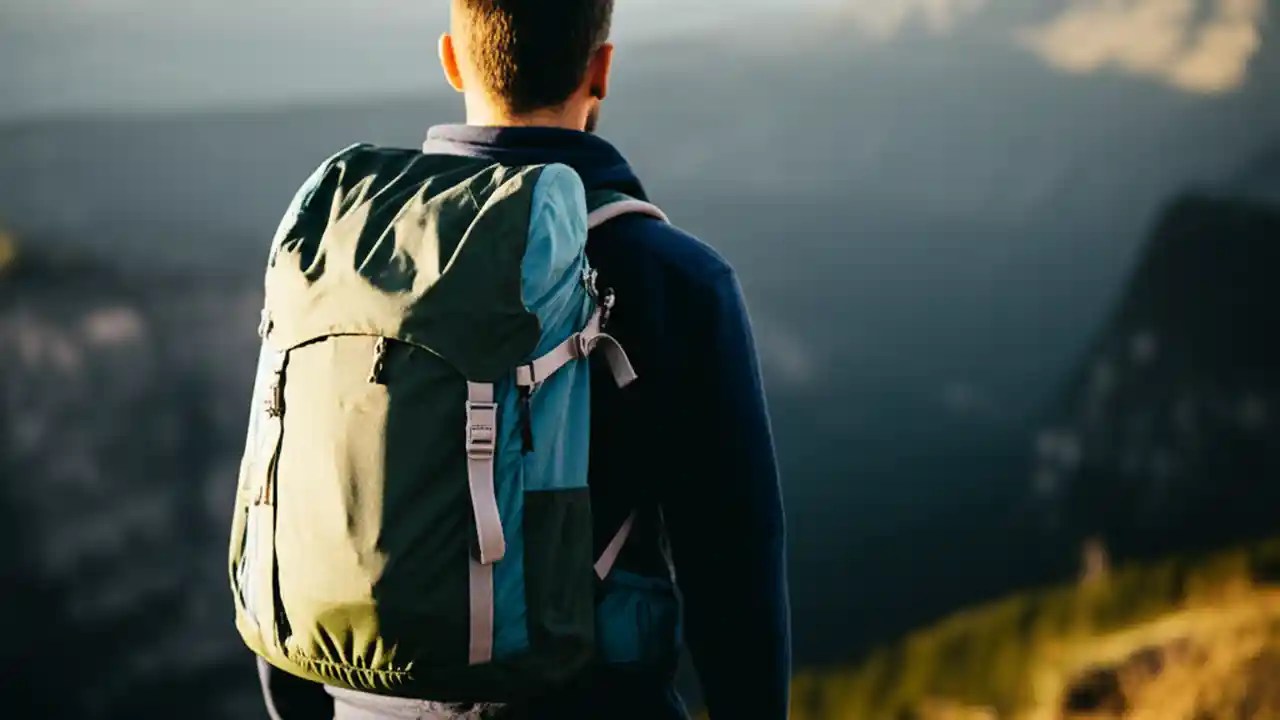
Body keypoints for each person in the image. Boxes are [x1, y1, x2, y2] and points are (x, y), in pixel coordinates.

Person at [258, 1, 789, 718]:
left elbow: (290, 505)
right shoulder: (674, 279)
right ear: (599, 70)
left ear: (450, 59)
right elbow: (735, 574)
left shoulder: (349, 258)